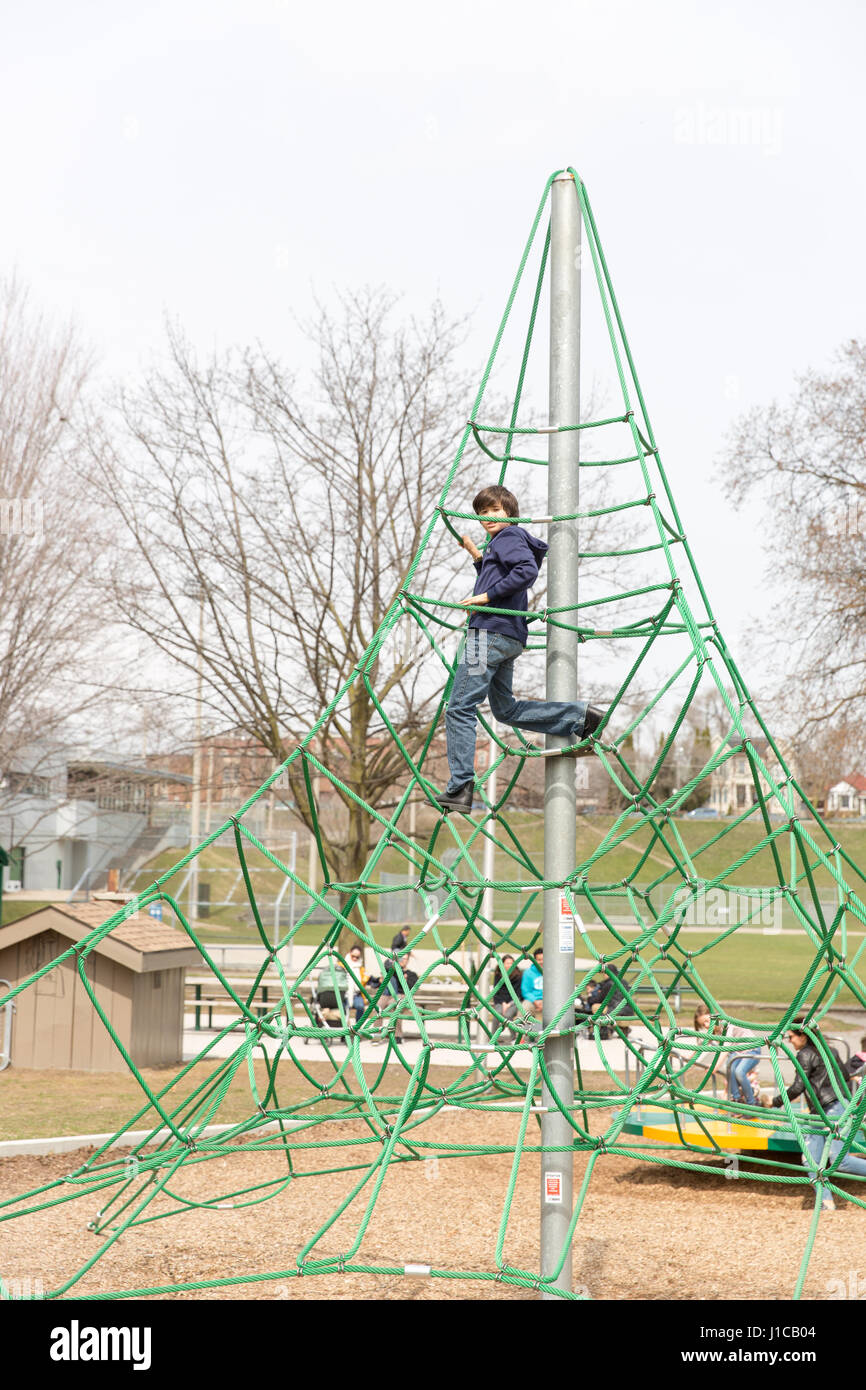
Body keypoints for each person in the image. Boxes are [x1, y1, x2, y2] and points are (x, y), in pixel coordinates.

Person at [435, 485, 606, 813]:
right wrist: (476, 556)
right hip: (506, 637)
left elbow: (525, 571)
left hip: (485, 636)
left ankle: (459, 786)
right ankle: (579, 716)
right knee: (505, 710)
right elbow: (498, 574)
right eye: (482, 513)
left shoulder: (510, 537)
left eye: (494, 511)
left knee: (458, 707)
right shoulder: (502, 542)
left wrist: (485, 598)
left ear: (510, 513)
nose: (487, 518)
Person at [771, 1019, 866, 1211]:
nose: (789, 1041)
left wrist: (776, 1102)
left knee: (840, 1161)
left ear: (803, 1036)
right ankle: (826, 1202)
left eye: (791, 1037)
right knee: (811, 1160)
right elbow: (845, 1076)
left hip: (831, 1110)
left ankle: (826, 1201)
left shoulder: (804, 1054)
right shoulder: (831, 1050)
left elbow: (799, 1086)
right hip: (825, 1110)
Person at [520, 947, 544, 1017]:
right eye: (539, 960)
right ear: (534, 960)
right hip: (533, 1000)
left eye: (543, 959)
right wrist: (535, 1001)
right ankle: (519, 1027)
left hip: (548, 999)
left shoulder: (552, 971)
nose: (542, 962)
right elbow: (526, 991)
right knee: (524, 1009)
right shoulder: (528, 973)